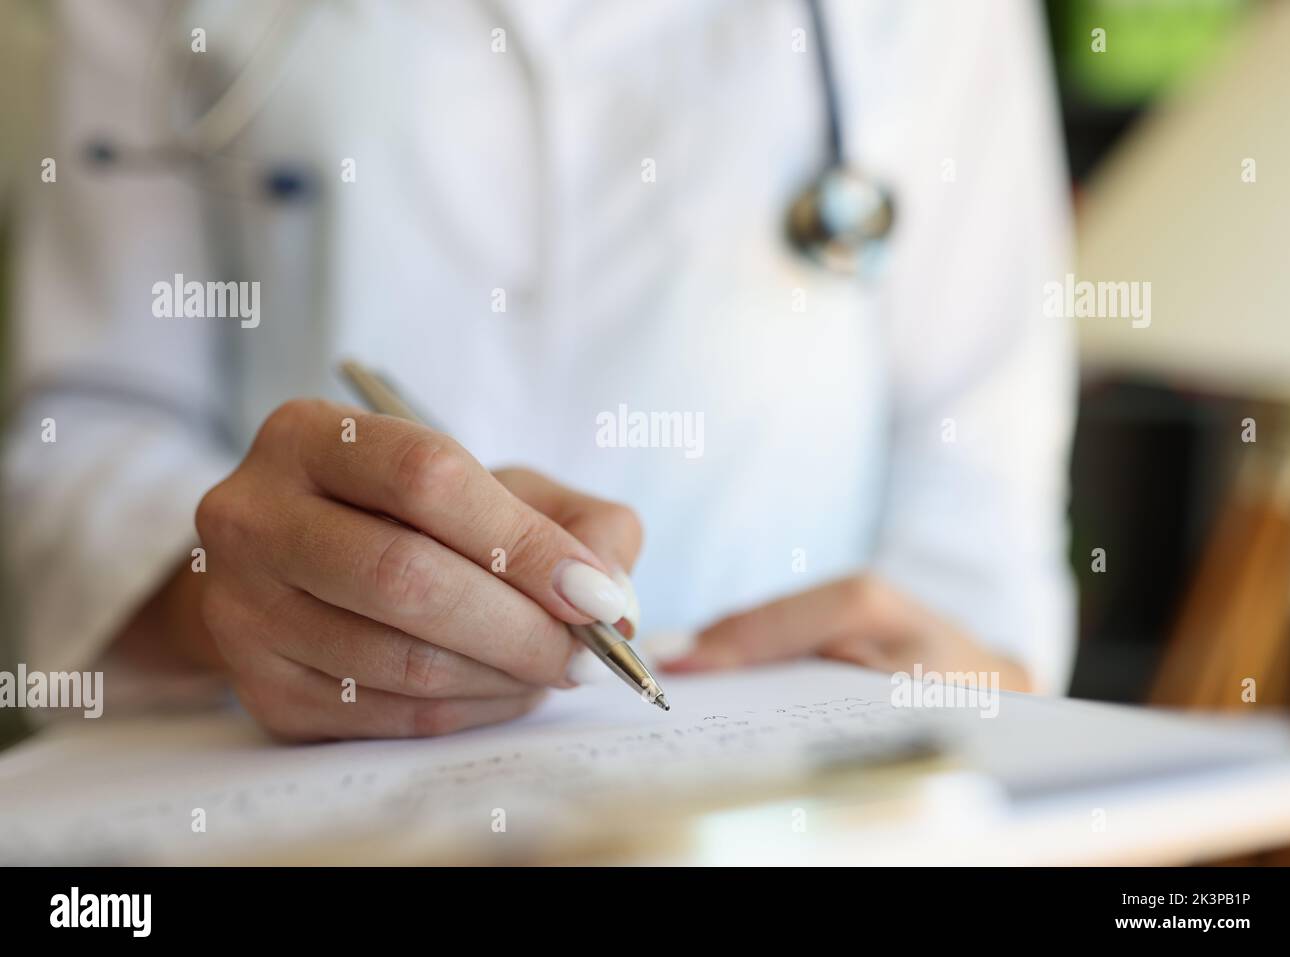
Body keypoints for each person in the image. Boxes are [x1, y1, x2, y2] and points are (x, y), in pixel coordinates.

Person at [4, 0, 1075, 740]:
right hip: (314, 795)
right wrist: (214, 596)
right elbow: (79, 434)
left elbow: (978, 470)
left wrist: (962, 679)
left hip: (806, 808)